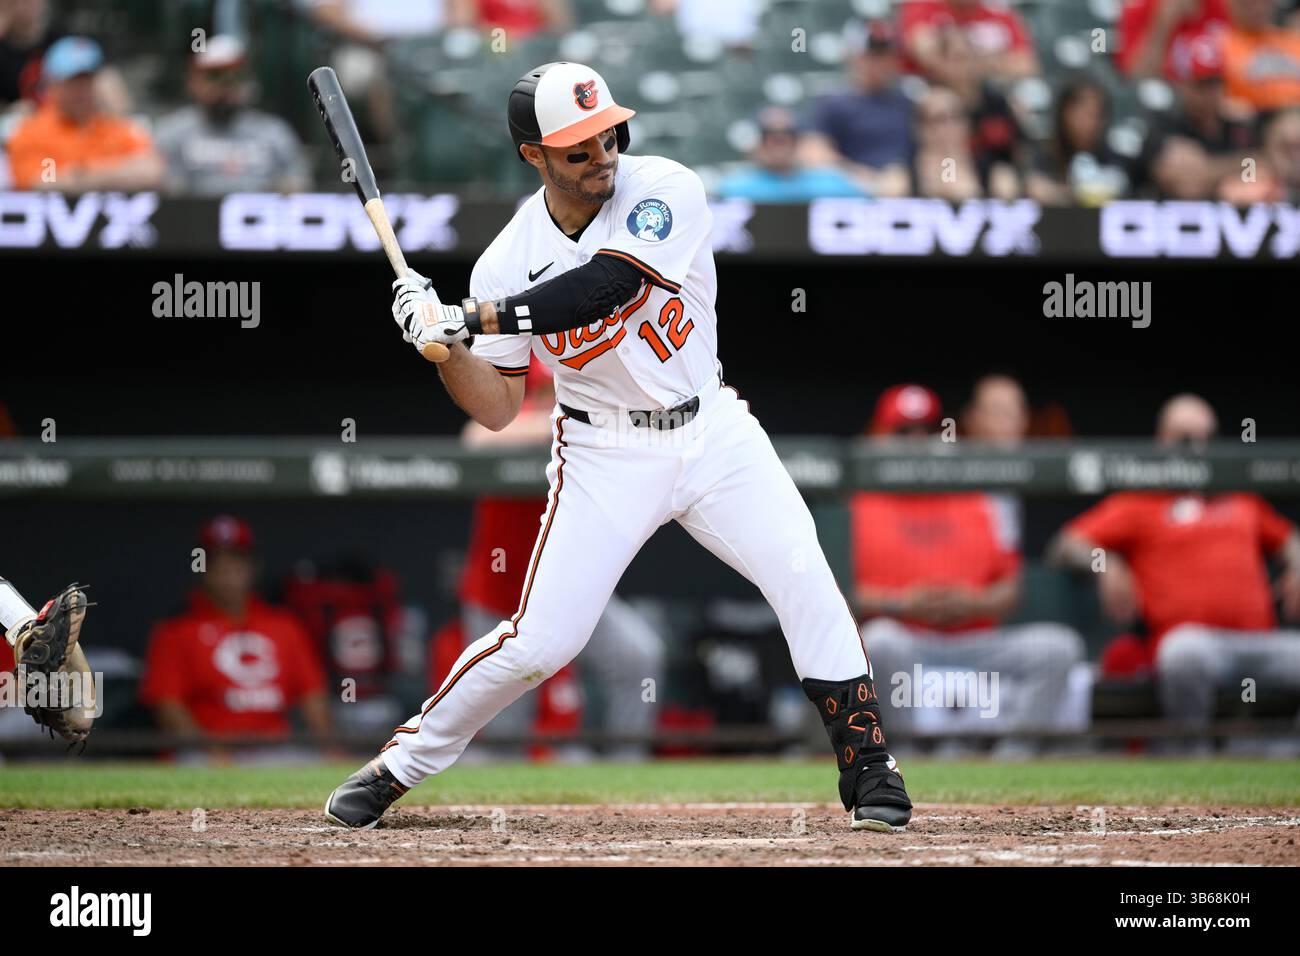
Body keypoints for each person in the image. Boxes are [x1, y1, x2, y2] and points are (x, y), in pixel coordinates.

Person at [325, 61, 913, 833]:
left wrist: (468, 317)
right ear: (534, 156)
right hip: (603, 453)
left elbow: (605, 288)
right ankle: (400, 763)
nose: (602, 153)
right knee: (542, 641)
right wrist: (440, 346)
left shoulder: (664, 186)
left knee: (804, 576)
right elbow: (497, 408)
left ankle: (871, 768)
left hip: (712, 431)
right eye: (577, 147)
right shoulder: (506, 257)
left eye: (609, 133)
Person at [1048, 395, 1300, 735]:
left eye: (1205, 439)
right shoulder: (1141, 498)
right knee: (1184, 654)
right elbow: (1065, 544)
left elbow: (1289, 539)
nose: (1195, 448)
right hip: (1193, 644)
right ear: (1162, 441)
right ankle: (1189, 756)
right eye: (1184, 438)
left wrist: (1297, 565)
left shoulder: (1239, 496)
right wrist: (1105, 562)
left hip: (1261, 643)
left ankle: (1281, 760)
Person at [855, 384, 1084, 754]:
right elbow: (834, 593)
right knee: (880, 640)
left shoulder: (975, 493)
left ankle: (1012, 761)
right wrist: (900, 603)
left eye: (926, 430)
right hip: (907, 639)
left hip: (975, 639)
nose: (917, 442)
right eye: (903, 432)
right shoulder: (858, 501)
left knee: (1059, 648)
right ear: (879, 439)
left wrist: (976, 603)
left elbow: (1011, 587)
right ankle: (909, 756)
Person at [457, 359, 664, 760]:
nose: (554, 398)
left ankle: (627, 773)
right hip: (500, 597)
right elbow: (475, 438)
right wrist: (562, 422)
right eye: (547, 392)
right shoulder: (515, 424)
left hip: (571, 590)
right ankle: (497, 818)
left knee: (638, 655)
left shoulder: (595, 430)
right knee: (504, 728)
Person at [139, 516, 331, 745]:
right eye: (217, 563)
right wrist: (212, 754)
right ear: (201, 568)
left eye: (237, 562)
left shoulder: (284, 624)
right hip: (203, 752)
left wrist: (330, 750)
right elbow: (168, 706)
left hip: (275, 752)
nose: (228, 573)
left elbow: (313, 697)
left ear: (252, 567)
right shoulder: (176, 630)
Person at [153, 35, 309, 196]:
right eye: (215, 75)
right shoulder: (172, 132)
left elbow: (298, 183)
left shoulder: (274, 132)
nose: (225, 83)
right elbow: (163, 189)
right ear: (193, 81)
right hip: (190, 219)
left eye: (235, 75)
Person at [5, 36, 162, 191]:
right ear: (52, 85)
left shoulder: (117, 128)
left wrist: (81, 175)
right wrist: (118, 172)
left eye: (87, 80)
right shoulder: (33, 131)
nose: (81, 90)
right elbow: (44, 182)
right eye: (72, 82)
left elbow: (151, 171)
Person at [798, 21, 914, 197]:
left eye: (884, 55)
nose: (878, 63)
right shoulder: (832, 103)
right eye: (871, 55)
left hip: (904, 188)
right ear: (853, 57)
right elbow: (812, 153)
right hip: (849, 190)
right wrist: (861, 176)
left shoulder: (908, 102)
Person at [1144, 34, 1255, 199]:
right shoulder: (1166, 125)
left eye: (1216, 82)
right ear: (1183, 85)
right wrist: (1236, 167)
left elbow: (1257, 173)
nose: (1210, 93)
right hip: (1173, 219)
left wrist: (1206, 171)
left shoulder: (1237, 126)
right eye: (1202, 84)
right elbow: (1187, 187)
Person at [1026, 75, 1136, 206]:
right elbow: (1036, 187)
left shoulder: (1115, 158)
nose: (1091, 124)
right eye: (1085, 114)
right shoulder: (1044, 155)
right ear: (1065, 113)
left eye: (1097, 116)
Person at [717, 105, 866, 202]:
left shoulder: (833, 184)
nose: (779, 145)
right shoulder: (735, 187)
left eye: (787, 136)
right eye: (770, 137)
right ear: (756, 143)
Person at [910, 86, 1019, 199]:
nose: (950, 126)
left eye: (956, 117)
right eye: (940, 119)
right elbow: (950, 187)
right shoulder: (908, 169)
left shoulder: (987, 167)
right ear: (922, 128)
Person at [898, 0, 1040, 86]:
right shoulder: (924, 6)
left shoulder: (1001, 15)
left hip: (986, 98)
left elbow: (1026, 66)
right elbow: (925, 54)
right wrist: (994, 61)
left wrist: (964, 62)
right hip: (935, 96)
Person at [1116, 0, 1233, 80]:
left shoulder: (1224, 7)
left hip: (1213, 98)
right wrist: (1164, 21)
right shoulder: (1138, 9)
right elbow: (1137, 78)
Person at [1221, 0, 1300, 115]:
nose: (1256, 7)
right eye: (1246, 3)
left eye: (1262, 1)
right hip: (1252, 122)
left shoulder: (1294, 41)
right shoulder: (1217, 46)